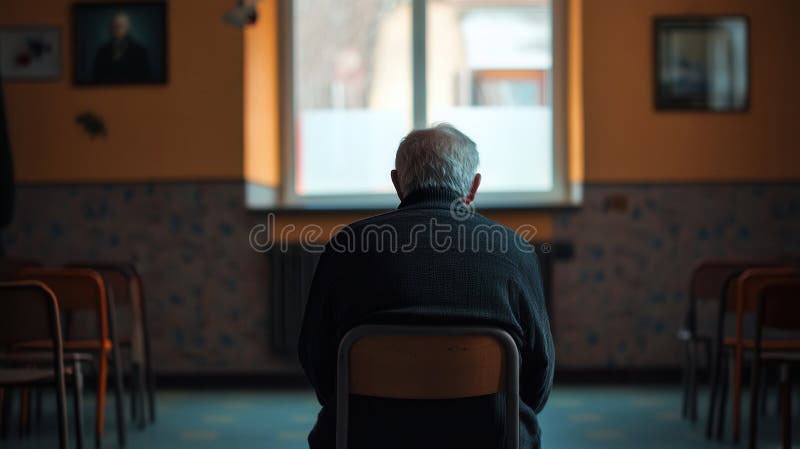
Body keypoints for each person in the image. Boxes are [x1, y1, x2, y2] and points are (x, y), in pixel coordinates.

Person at [298, 123, 555, 449]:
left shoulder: (346, 246)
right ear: (474, 187)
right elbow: (539, 371)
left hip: (364, 432)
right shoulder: (515, 249)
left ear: (397, 183)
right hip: (490, 434)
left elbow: (315, 357)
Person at [92, 12, 151, 84]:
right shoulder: (102, 50)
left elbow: (145, 78)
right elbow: (96, 76)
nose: (117, 29)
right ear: (110, 28)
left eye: (121, 26)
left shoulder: (139, 50)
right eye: (115, 26)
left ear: (127, 28)